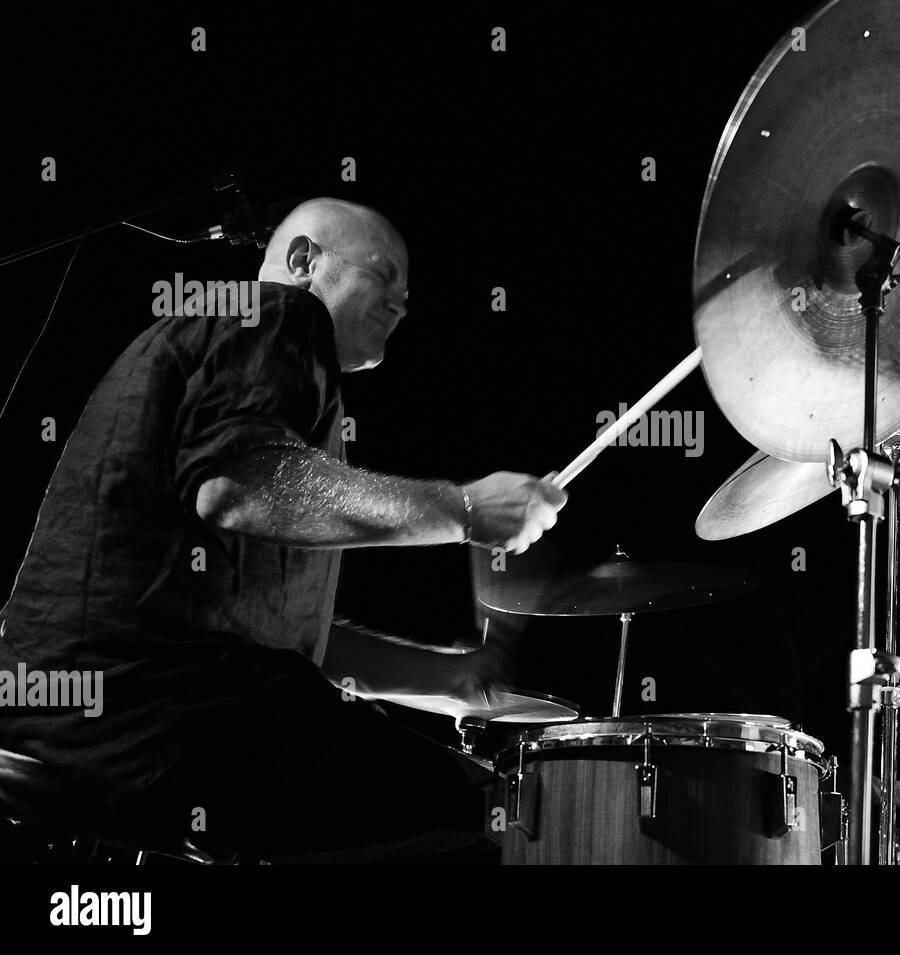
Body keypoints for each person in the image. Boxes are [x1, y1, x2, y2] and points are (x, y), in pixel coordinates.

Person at [0, 198, 567, 862]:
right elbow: (239, 487)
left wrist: (453, 679)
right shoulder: (276, 314)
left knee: (462, 795)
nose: (401, 305)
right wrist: (464, 509)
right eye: (385, 277)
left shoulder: (233, 355)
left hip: (96, 708)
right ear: (303, 261)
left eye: (409, 297)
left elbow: (283, 648)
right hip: (151, 714)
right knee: (507, 816)